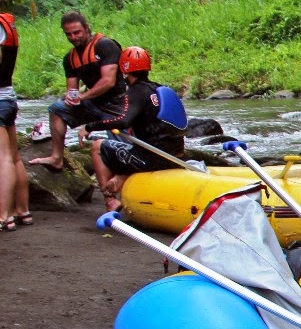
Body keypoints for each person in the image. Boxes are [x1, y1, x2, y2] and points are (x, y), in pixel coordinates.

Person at [90, 46, 186, 212]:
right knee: (129, 141)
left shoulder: (136, 90)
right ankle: (121, 176)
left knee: (97, 146)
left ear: (124, 70)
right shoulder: (160, 89)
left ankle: (110, 202)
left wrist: (90, 126)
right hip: (176, 156)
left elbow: (124, 121)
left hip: (154, 159)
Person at [28, 11, 126, 171]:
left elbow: (108, 81)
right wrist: (71, 97)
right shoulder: (70, 59)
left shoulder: (105, 45)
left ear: (86, 28)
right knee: (56, 110)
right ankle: (56, 157)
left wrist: (83, 96)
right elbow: (72, 90)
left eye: (77, 32)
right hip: (94, 104)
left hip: (119, 104)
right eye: (69, 34)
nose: (73, 37)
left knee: (122, 148)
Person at [1, 11, 33, 231]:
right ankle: (23, 211)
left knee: (3, 158)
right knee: (13, 157)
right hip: (8, 96)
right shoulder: (6, 23)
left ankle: (4, 216)